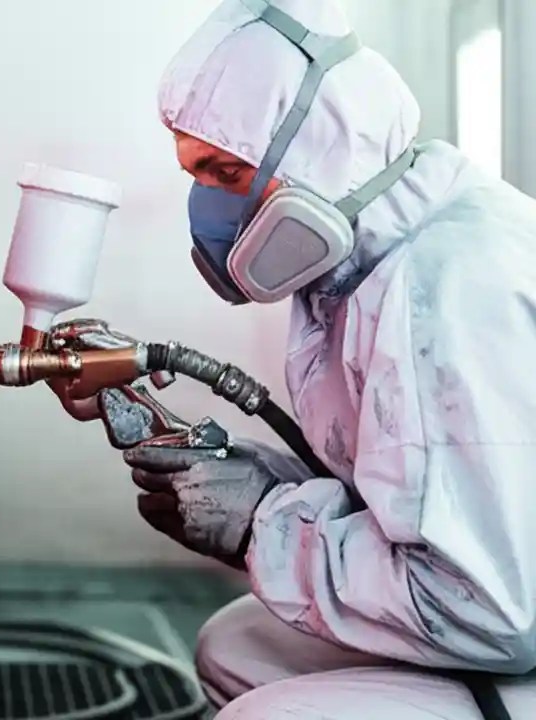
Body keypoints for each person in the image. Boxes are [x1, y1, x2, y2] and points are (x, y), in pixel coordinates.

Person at [51, 0, 536, 717]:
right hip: (506, 618)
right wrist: (235, 471)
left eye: (223, 171)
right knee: (238, 645)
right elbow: (407, 493)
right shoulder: (364, 268)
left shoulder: (451, 288)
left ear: (316, 151)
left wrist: (261, 522)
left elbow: (491, 606)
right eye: (196, 175)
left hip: (509, 628)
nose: (207, 207)